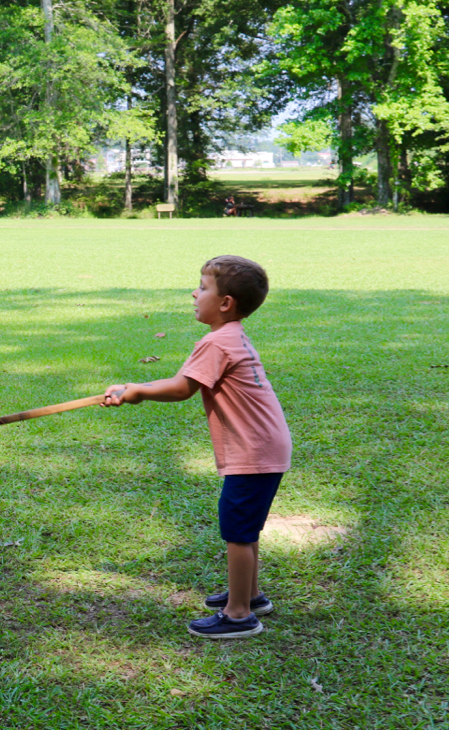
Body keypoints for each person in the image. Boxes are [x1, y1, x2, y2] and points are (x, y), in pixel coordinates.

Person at [103, 255, 291, 639]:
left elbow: (180, 389)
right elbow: (182, 379)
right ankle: (251, 596)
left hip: (253, 452)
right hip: (266, 446)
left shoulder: (216, 342)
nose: (194, 292)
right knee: (247, 528)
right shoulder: (229, 335)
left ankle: (238, 614)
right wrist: (133, 388)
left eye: (203, 287)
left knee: (237, 530)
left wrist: (137, 391)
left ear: (225, 303)